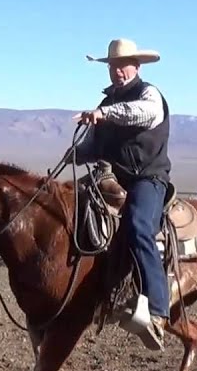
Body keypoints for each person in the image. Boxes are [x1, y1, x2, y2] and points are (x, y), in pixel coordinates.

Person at [70, 38, 172, 351]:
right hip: (111, 176)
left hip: (146, 178)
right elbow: (95, 144)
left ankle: (157, 310)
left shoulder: (148, 94)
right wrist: (76, 152)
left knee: (139, 226)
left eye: (123, 65)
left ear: (136, 67)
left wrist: (105, 114)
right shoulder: (106, 103)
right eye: (113, 66)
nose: (118, 71)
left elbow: (141, 114)